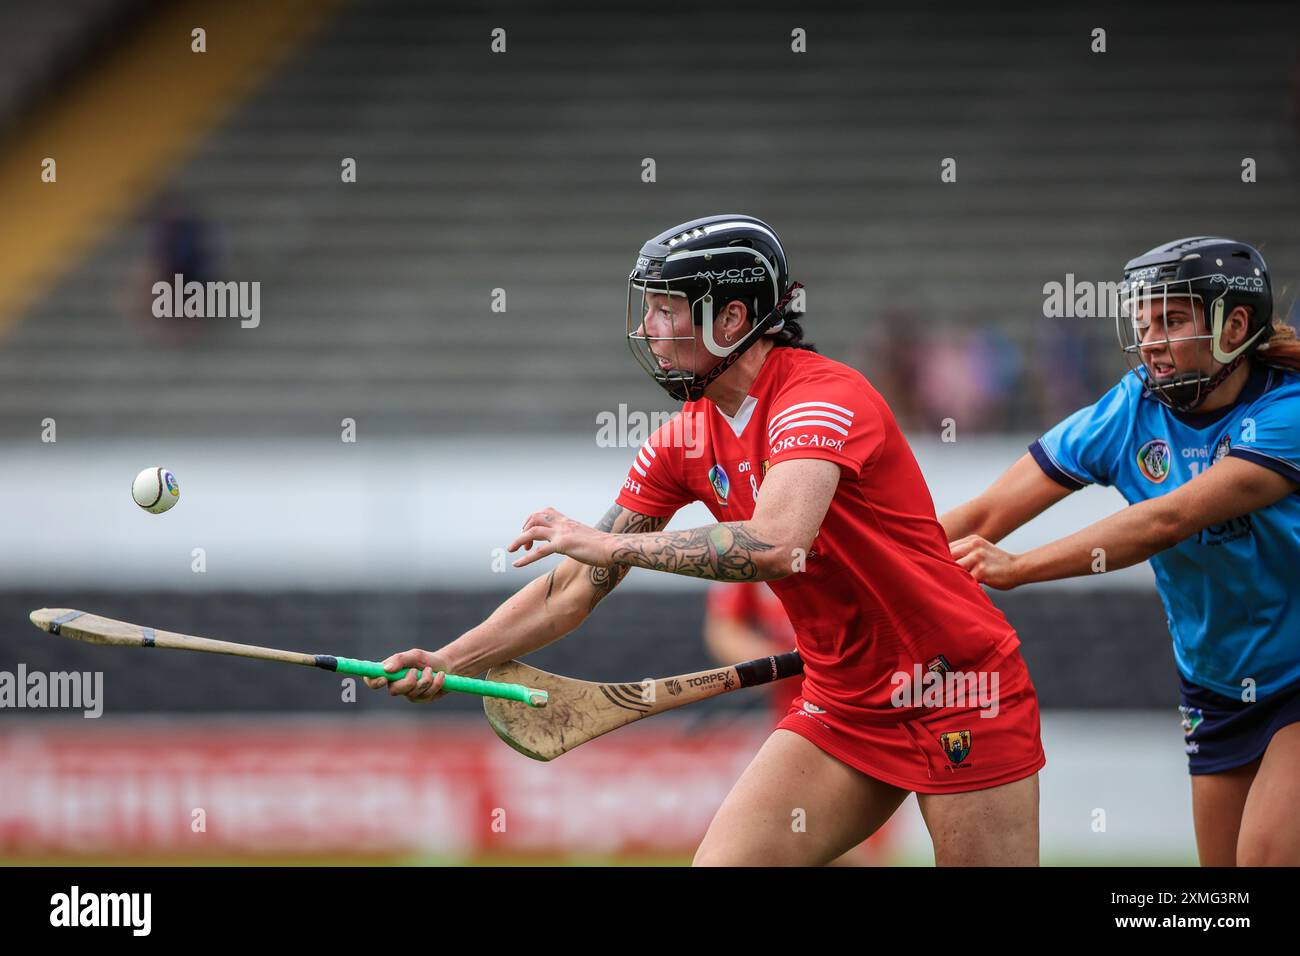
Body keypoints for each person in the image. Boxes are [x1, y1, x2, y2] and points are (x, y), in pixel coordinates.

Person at [367, 215, 1045, 866]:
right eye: (648, 308)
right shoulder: (687, 438)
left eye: (667, 309)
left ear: (732, 318)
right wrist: (447, 659)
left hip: (959, 688)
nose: (647, 328)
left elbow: (777, 543)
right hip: (843, 703)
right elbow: (571, 590)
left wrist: (616, 547)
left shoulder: (821, 399)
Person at [940, 236, 1300, 866]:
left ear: (1235, 326)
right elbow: (985, 514)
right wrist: (870, 567)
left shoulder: (1287, 410)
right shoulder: (1131, 408)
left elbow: (1166, 521)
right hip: (1215, 684)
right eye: (1144, 323)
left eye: (1172, 321)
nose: (1151, 342)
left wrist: (1018, 569)